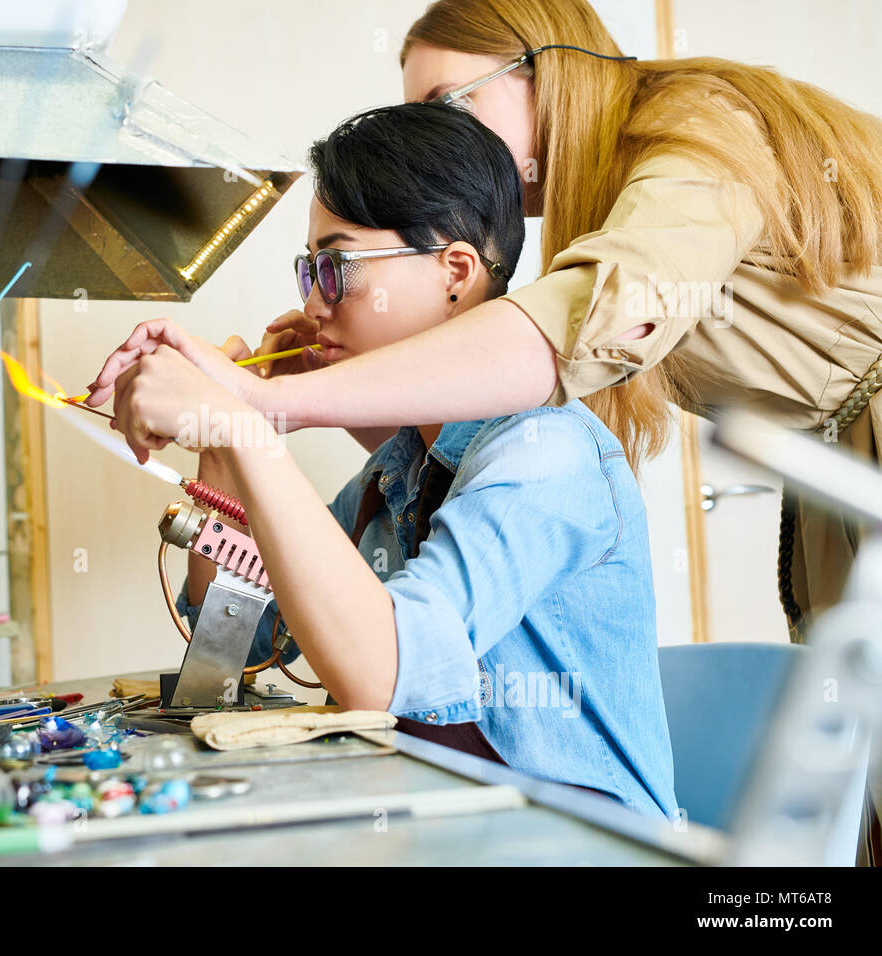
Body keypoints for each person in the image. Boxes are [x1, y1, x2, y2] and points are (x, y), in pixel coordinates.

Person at [86, 0, 882, 644]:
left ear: (546, 66)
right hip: (835, 471)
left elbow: (590, 322)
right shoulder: (594, 224)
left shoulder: (697, 126)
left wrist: (253, 407)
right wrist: (244, 439)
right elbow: (255, 632)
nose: (437, 143)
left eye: (448, 106)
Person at [168, 101, 678, 817]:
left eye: (336, 266)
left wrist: (246, 423)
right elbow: (239, 643)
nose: (315, 302)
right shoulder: (399, 469)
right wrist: (228, 449)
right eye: (307, 270)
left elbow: (389, 669)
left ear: (455, 272)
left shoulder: (546, 454)